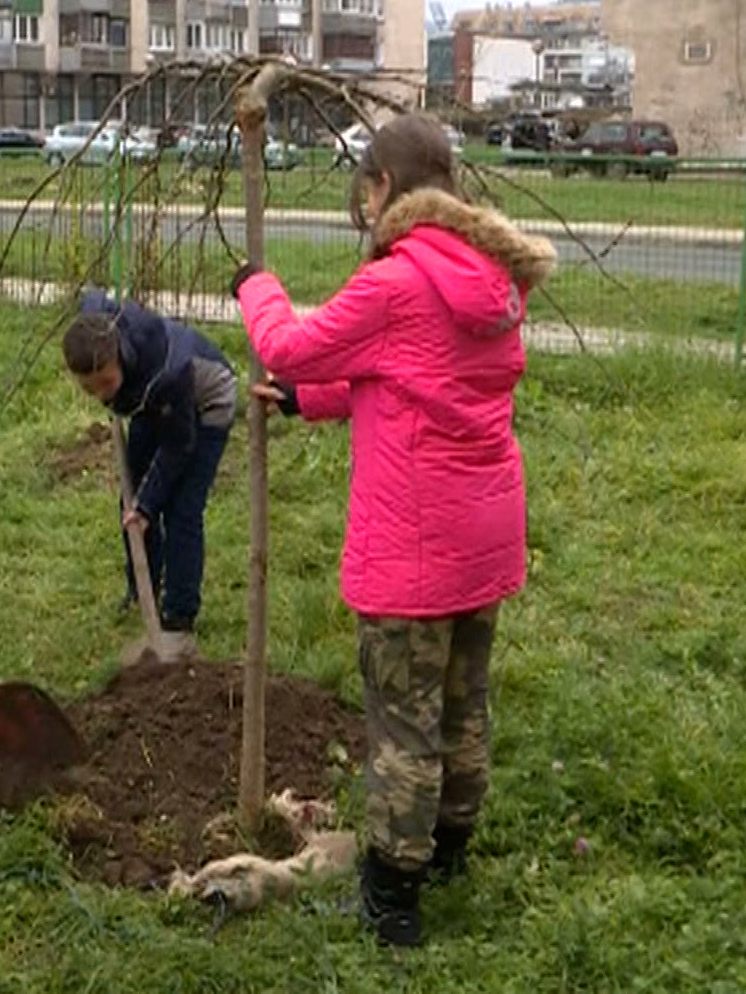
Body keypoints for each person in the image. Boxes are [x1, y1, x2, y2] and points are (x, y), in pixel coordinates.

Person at [231, 114, 556, 949]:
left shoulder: (398, 280)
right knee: (463, 704)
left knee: (404, 721)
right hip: (485, 531)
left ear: (381, 189)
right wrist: (310, 405)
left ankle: (392, 897)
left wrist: (254, 285)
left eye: (362, 191)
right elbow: (406, 379)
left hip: (415, 542)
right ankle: (450, 849)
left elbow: (292, 346)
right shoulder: (488, 275)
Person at [61, 289, 235, 646]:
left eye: (106, 384)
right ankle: (142, 586)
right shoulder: (97, 325)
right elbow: (93, 295)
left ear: (119, 358)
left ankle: (179, 614)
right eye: (88, 389)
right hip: (151, 405)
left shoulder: (166, 373)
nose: (102, 396)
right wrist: (140, 505)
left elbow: (178, 447)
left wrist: (148, 503)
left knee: (180, 509)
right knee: (133, 501)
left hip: (205, 404)